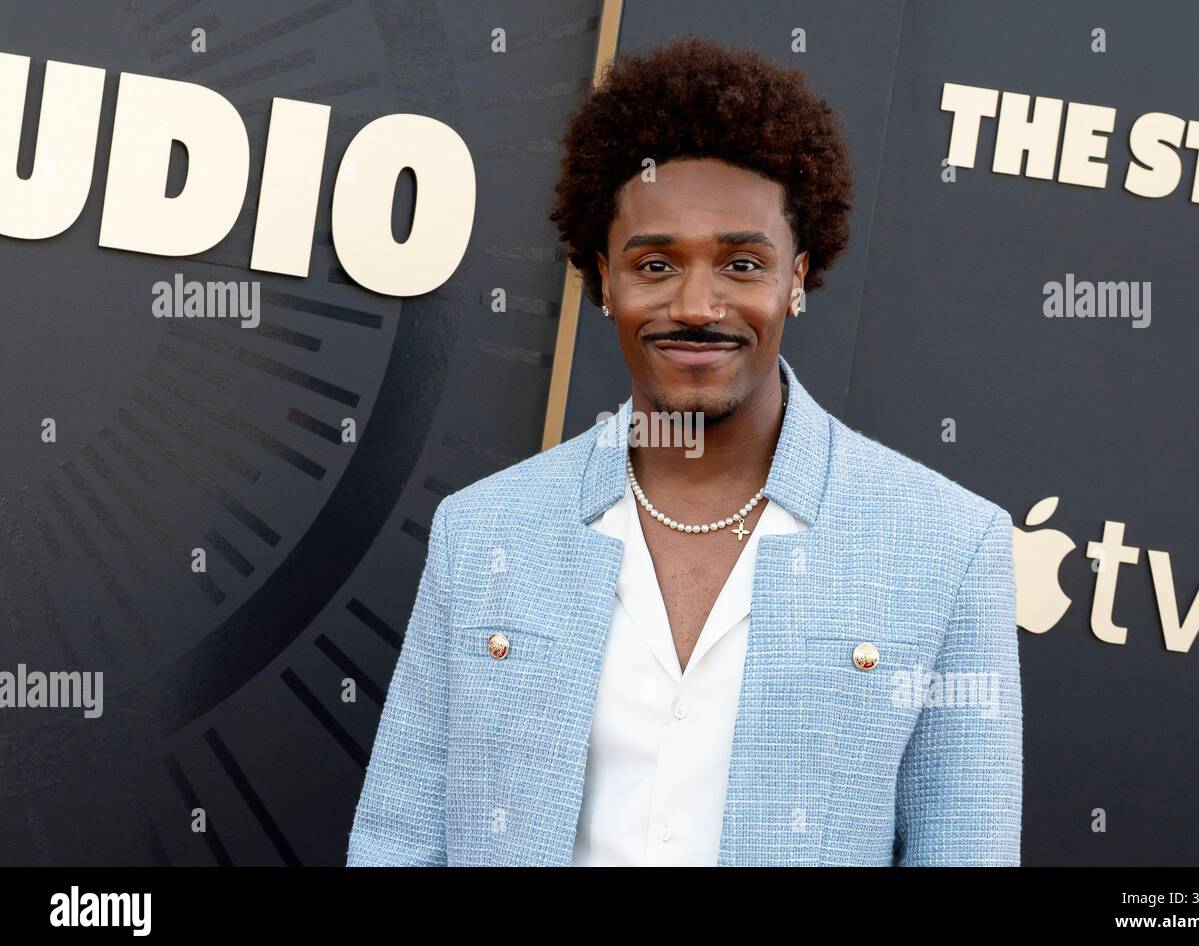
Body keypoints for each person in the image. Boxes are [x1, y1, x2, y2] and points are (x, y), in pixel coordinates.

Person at [347, 34, 1021, 866]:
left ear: (798, 279)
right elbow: (399, 840)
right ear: (603, 281)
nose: (697, 305)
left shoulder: (950, 546)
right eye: (656, 263)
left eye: (742, 262)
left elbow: (967, 849)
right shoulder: (483, 532)